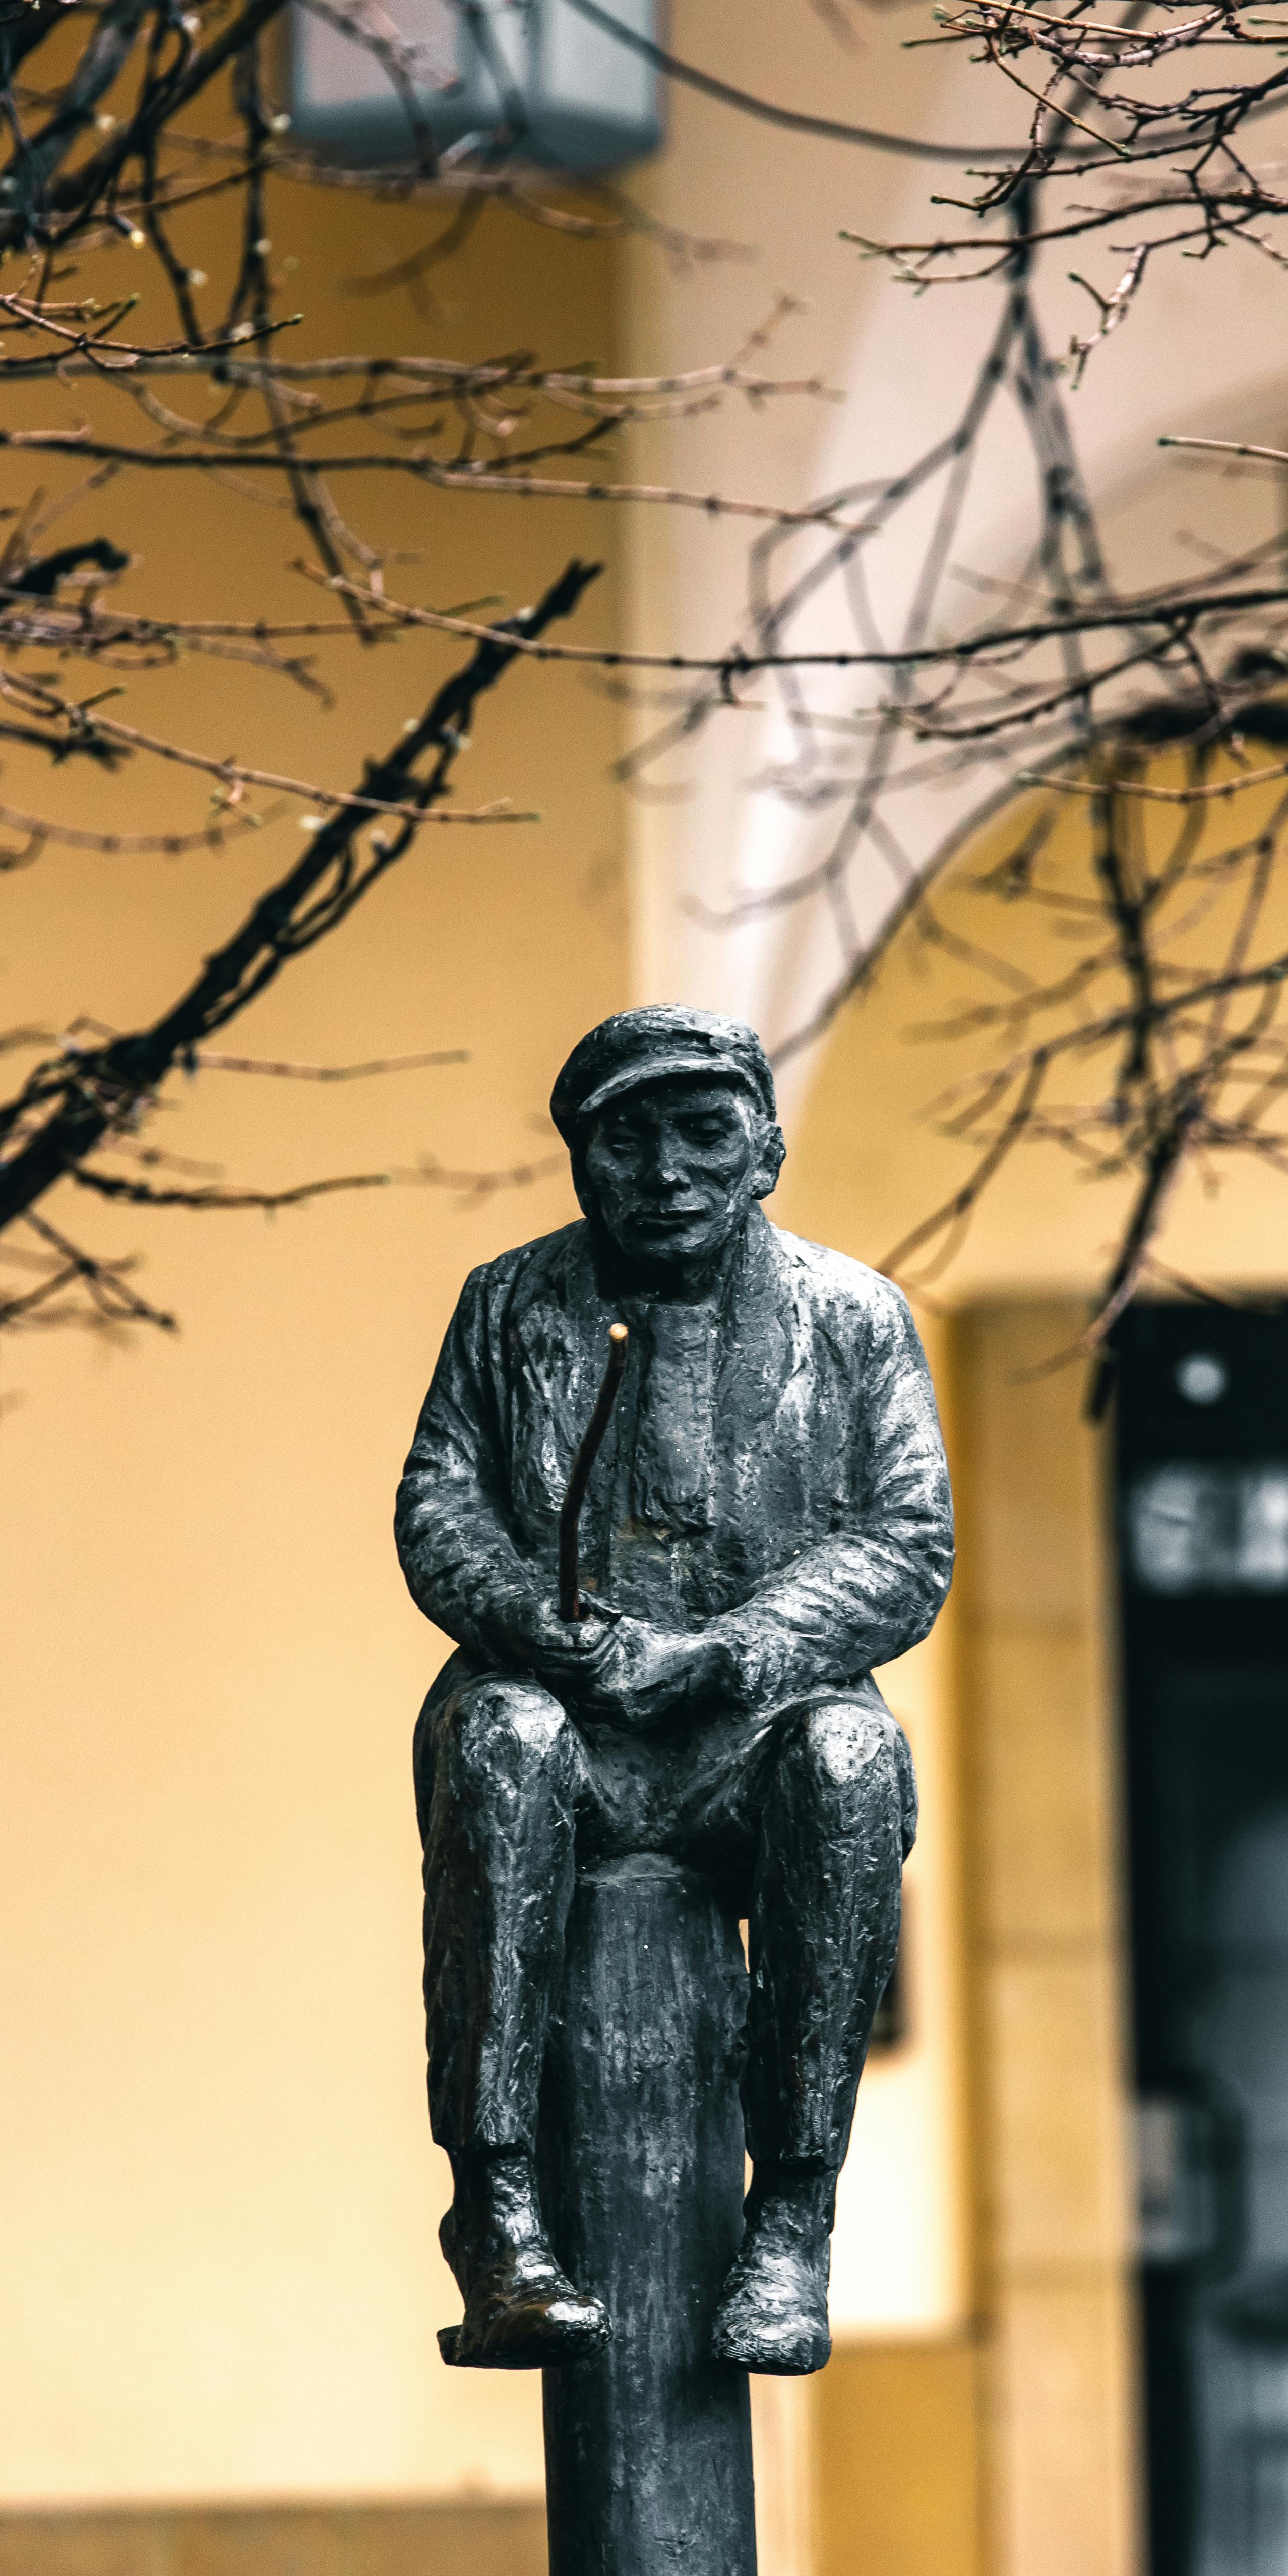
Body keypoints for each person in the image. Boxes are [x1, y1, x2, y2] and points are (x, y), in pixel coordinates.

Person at [395, 1005, 953, 2374]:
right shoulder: (508, 1303)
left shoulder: (853, 1318)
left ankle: (795, 2217)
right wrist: (540, 1623)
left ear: (767, 1148)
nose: (667, 1173)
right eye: (625, 1140)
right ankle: (499, 2207)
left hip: (746, 1731)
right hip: (568, 1717)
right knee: (502, 1745)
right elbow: (438, 1504)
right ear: (579, 1159)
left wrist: (737, 1650)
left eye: (705, 1134)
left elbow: (906, 1540)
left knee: (848, 1765)